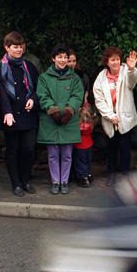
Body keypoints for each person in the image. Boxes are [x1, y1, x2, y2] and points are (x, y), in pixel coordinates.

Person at [0, 31, 40, 197]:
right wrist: (7, 112)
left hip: (28, 116)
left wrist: (33, 100)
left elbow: (37, 88)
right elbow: (1, 93)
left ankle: (25, 180)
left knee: (28, 149)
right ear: (7, 47)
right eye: (15, 47)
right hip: (11, 116)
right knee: (13, 150)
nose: (19, 50)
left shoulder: (30, 67)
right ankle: (16, 183)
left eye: (21, 47)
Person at [36, 44, 84, 194]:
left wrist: (69, 111)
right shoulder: (44, 77)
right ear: (53, 58)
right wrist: (53, 111)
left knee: (67, 154)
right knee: (53, 154)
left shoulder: (74, 78)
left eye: (65, 57)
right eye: (59, 57)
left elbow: (77, 95)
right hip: (50, 120)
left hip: (68, 121)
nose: (62, 60)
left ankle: (64, 181)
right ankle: (55, 181)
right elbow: (42, 95)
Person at [93, 46, 137, 185]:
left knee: (125, 147)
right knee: (111, 148)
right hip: (110, 118)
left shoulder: (127, 70)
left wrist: (132, 69)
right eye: (112, 60)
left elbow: (133, 82)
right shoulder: (101, 77)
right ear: (106, 62)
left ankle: (125, 176)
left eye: (117, 59)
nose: (115, 63)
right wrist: (109, 115)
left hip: (125, 117)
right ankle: (111, 175)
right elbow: (99, 98)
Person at [73, 101, 94, 187]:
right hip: (88, 145)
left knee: (80, 163)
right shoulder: (90, 124)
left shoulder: (78, 126)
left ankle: (83, 178)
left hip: (79, 145)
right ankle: (88, 175)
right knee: (88, 161)